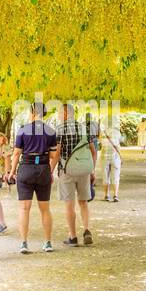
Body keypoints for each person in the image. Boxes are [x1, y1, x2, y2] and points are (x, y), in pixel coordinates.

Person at [8, 101, 58, 253]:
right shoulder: (50, 131)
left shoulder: (23, 130)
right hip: (43, 168)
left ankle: (24, 243)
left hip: (26, 168)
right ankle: (48, 243)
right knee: (45, 209)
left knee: (24, 209)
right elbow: (54, 154)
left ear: (32, 112)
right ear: (44, 113)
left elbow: (17, 153)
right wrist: (50, 170)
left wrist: (12, 171)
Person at [56, 103, 96, 246]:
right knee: (83, 202)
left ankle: (72, 237)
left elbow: (57, 153)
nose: (59, 116)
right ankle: (86, 230)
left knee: (69, 204)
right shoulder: (85, 128)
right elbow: (93, 151)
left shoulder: (60, 129)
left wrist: (50, 170)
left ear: (66, 114)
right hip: (84, 170)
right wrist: (92, 169)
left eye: (60, 113)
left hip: (67, 171)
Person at [101, 119, 123, 202]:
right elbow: (118, 144)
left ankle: (106, 195)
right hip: (115, 156)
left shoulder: (103, 132)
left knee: (105, 176)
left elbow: (101, 143)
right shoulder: (117, 132)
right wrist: (121, 156)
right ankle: (115, 195)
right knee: (116, 175)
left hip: (104, 156)